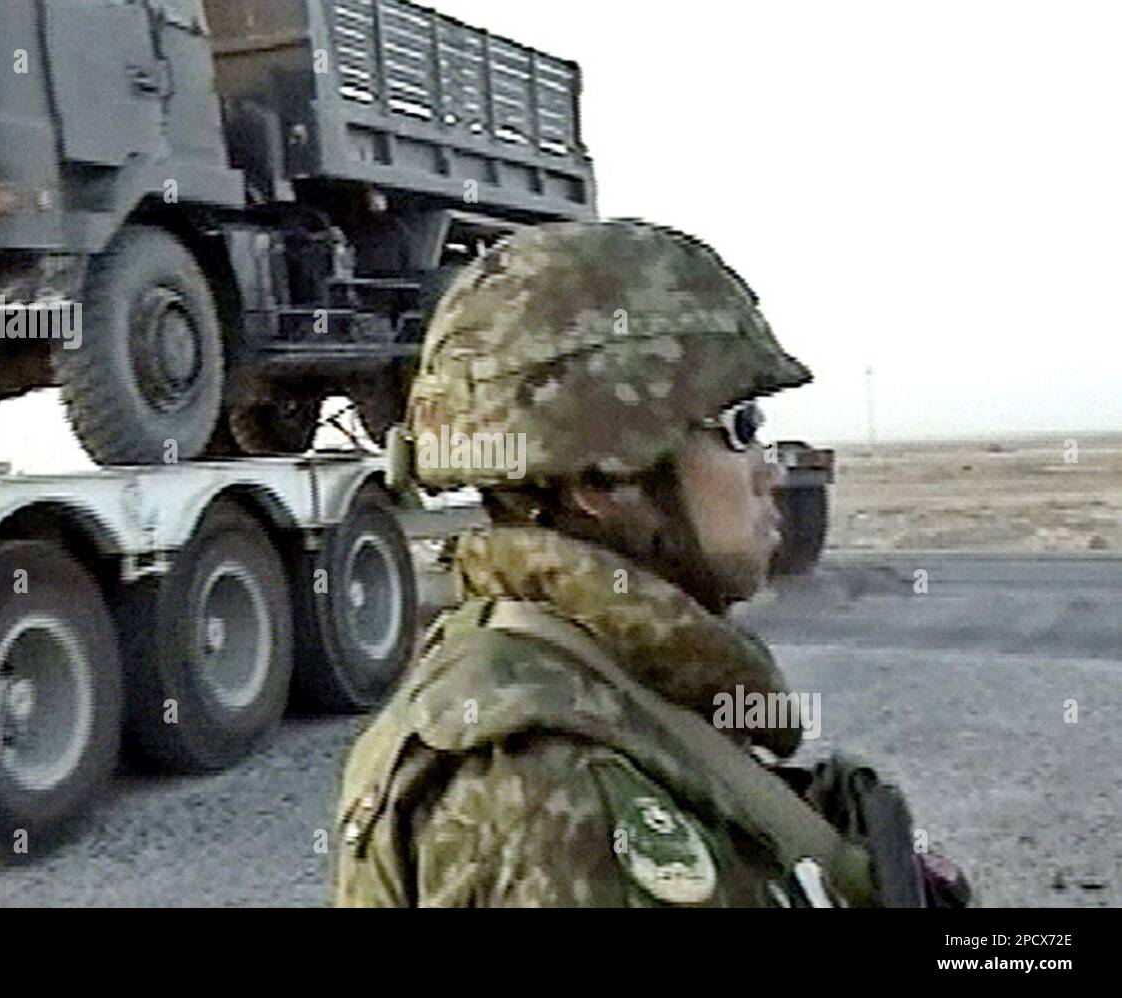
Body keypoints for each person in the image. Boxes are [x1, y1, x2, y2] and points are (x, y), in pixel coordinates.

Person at [334, 220, 969, 907]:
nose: (770, 472)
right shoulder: (548, 789)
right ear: (606, 479)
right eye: (739, 427)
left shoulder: (602, 681)